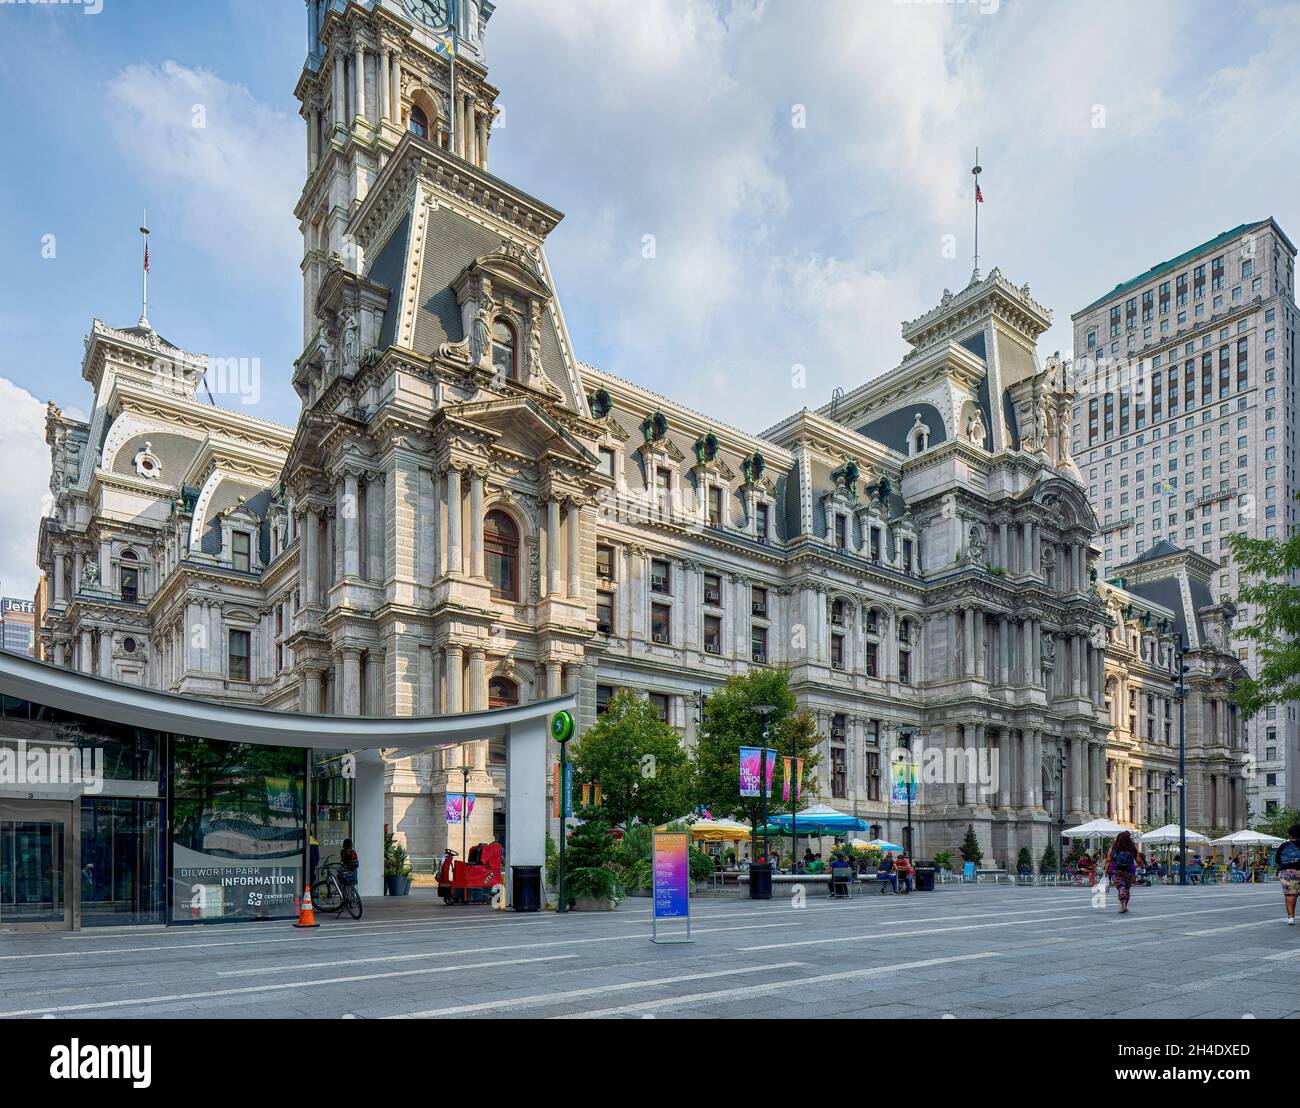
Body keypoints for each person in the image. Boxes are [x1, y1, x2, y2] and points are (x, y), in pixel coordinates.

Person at [1106, 831, 1138, 914]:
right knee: (1127, 889)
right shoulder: (1132, 848)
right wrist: (1142, 867)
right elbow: (1138, 860)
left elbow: (1108, 860)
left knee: (1121, 887)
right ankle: (1125, 906)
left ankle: (1123, 906)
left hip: (1116, 870)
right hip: (1129, 870)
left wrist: (1106, 871)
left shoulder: (1114, 847)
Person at [1274, 824, 1300, 926]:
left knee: (1290, 894)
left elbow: (1277, 860)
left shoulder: (1284, 845)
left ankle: (1291, 918)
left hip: (1287, 872)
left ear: (1290, 834)